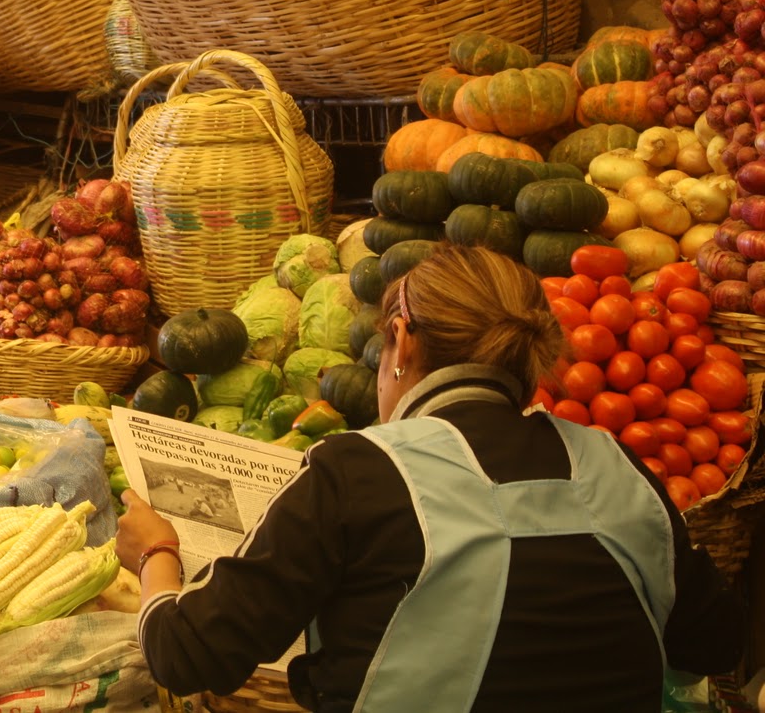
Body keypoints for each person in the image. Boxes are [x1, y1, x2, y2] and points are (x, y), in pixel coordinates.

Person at [118, 243, 745, 712]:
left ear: (401, 338)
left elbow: (186, 655)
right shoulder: (617, 465)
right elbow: (715, 645)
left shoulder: (354, 469)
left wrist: (156, 552)